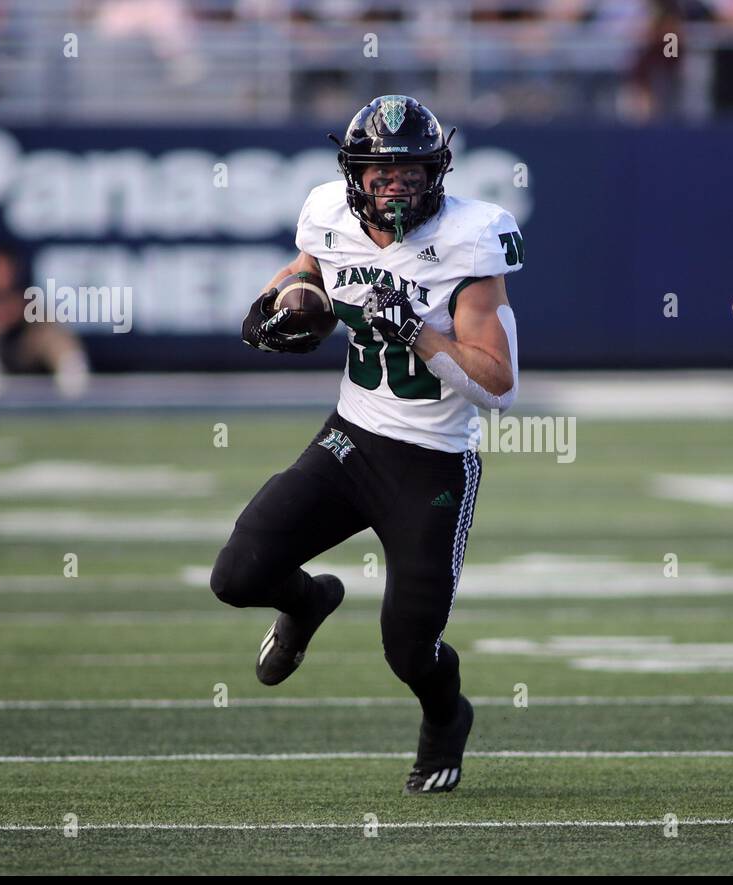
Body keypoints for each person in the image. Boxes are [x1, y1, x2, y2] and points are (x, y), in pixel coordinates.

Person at [209, 95, 525, 795]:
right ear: (354, 175)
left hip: (433, 462)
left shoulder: (471, 239)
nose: (394, 186)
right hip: (351, 439)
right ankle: (307, 602)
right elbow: (304, 276)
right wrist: (281, 308)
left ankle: (447, 715)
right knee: (238, 575)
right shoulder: (327, 213)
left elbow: (499, 386)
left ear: (436, 172)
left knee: (408, 647)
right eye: (379, 173)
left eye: (409, 171)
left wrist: (418, 330)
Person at [0, 244, 90, 400]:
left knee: (53, 333)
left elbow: (47, 321)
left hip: (22, 357)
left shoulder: (25, 292)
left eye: (2, 270)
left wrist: (20, 311)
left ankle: (75, 387)